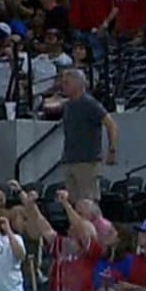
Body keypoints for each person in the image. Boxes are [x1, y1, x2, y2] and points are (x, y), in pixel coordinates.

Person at [56, 70, 117, 203]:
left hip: (87, 161)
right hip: (70, 159)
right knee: (73, 203)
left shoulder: (90, 103)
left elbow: (110, 124)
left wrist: (111, 150)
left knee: (88, 203)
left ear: (78, 84)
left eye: (67, 83)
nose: (63, 86)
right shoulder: (68, 106)